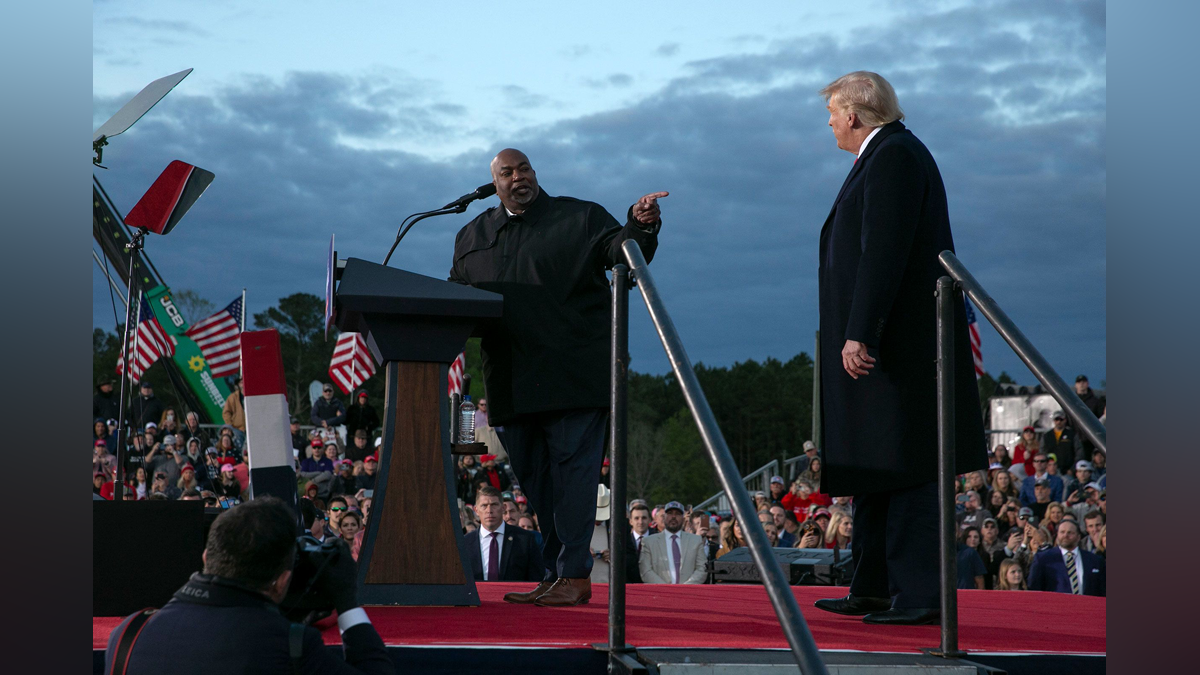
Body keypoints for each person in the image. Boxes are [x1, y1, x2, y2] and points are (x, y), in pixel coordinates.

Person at [449, 148, 666, 608]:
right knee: (538, 485)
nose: (518, 177)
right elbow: (455, 301)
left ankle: (574, 574)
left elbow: (622, 251)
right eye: (506, 172)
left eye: (524, 168)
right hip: (511, 383)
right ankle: (554, 573)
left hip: (574, 380)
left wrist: (641, 225)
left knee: (574, 481)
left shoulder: (580, 217)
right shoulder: (473, 234)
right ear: (494, 182)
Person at [811, 71, 986, 626]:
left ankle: (917, 595)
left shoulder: (894, 157)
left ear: (855, 115)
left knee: (907, 465)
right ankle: (873, 586)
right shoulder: (883, 155)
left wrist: (861, 329)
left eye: (833, 114)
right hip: (883, 347)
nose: (831, 124)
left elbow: (882, 250)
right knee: (872, 463)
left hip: (898, 348)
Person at [104, 496, 393, 675]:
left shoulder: (128, 633)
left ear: (206, 556)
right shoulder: (291, 646)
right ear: (281, 582)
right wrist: (347, 602)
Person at [465, 486, 544, 582]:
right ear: (476, 510)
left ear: (503, 508)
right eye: (484, 506)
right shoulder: (465, 543)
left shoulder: (525, 540)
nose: (489, 510)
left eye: (494, 505)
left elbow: (537, 581)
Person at [1027, 520, 1106, 596]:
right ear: (1057, 535)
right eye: (1062, 532)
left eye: (1070, 532)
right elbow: (1034, 589)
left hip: (1088, 608)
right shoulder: (1043, 559)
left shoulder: (1095, 560)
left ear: (1078, 537)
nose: (1065, 535)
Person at [638, 502, 706, 584]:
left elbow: (702, 569)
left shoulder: (695, 540)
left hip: (688, 593)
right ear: (664, 517)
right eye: (670, 513)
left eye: (677, 514)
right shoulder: (649, 542)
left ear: (683, 518)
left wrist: (685, 588)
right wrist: (668, 590)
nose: (673, 516)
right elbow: (645, 571)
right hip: (660, 593)